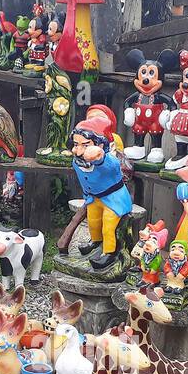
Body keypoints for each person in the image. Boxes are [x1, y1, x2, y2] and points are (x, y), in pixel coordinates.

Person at [68, 106, 133, 272]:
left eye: (85, 145)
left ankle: (108, 252)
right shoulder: (77, 161)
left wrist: (99, 158)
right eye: (76, 144)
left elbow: (109, 166)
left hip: (113, 199)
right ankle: (95, 242)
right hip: (93, 197)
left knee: (108, 226)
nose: (79, 149)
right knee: (93, 222)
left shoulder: (108, 159)